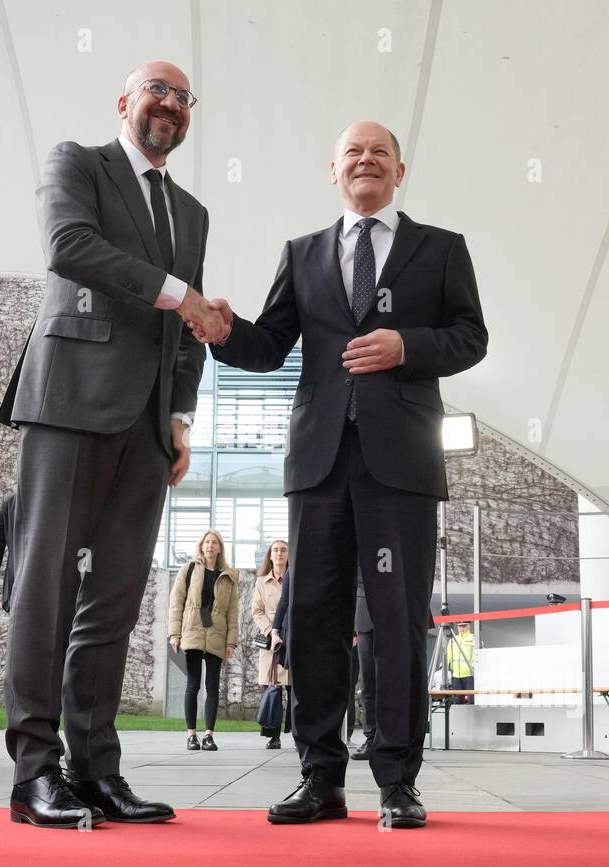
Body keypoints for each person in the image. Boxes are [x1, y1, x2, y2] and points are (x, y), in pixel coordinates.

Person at [190, 121, 488, 827]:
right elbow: (270, 344)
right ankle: (319, 776)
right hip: (320, 465)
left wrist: (405, 345)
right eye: (352, 152)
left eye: (378, 151)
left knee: (397, 621)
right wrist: (225, 332)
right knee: (317, 621)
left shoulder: (441, 250)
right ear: (334, 171)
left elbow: (471, 337)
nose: (365, 160)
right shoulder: (303, 253)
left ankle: (397, 780)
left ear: (400, 170)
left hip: (402, 465)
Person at [0, 61, 225, 828]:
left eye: (181, 98)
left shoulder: (191, 213)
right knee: (45, 585)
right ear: (124, 103)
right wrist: (176, 292)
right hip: (67, 401)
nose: (169, 105)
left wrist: (181, 417)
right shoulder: (76, 164)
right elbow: (68, 246)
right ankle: (34, 774)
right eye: (156, 91)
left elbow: (186, 333)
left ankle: (96, 770)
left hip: (149, 425)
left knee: (116, 601)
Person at [168, 530, 239, 750]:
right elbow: (176, 603)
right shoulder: (188, 569)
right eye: (207, 542)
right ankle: (191, 735)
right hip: (193, 632)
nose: (210, 546)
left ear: (219, 547)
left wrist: (230, 642)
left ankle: (208, 735)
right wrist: (174, 634)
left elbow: (233, 612)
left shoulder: (228, 575)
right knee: (193, 684)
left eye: (214, 542)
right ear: (201, 546)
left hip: (217, 635)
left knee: (213, 686)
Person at [251, 539, 290, 748]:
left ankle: (297, 734)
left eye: (283, 550)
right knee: (270, 687)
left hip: (291, 635)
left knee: (293, 688)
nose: (279, 553)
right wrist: (271, 631)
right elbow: (256, 611)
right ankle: (272, 735)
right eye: (275, 550)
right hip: (270, 640)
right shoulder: (261, 582)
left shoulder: (295, 578)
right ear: (270, 555)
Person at [350, 569, 376, 759]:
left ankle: (401, 740)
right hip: (364, 611)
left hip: (398, 605)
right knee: (368, 682)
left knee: (398, 680)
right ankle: (372, 737)